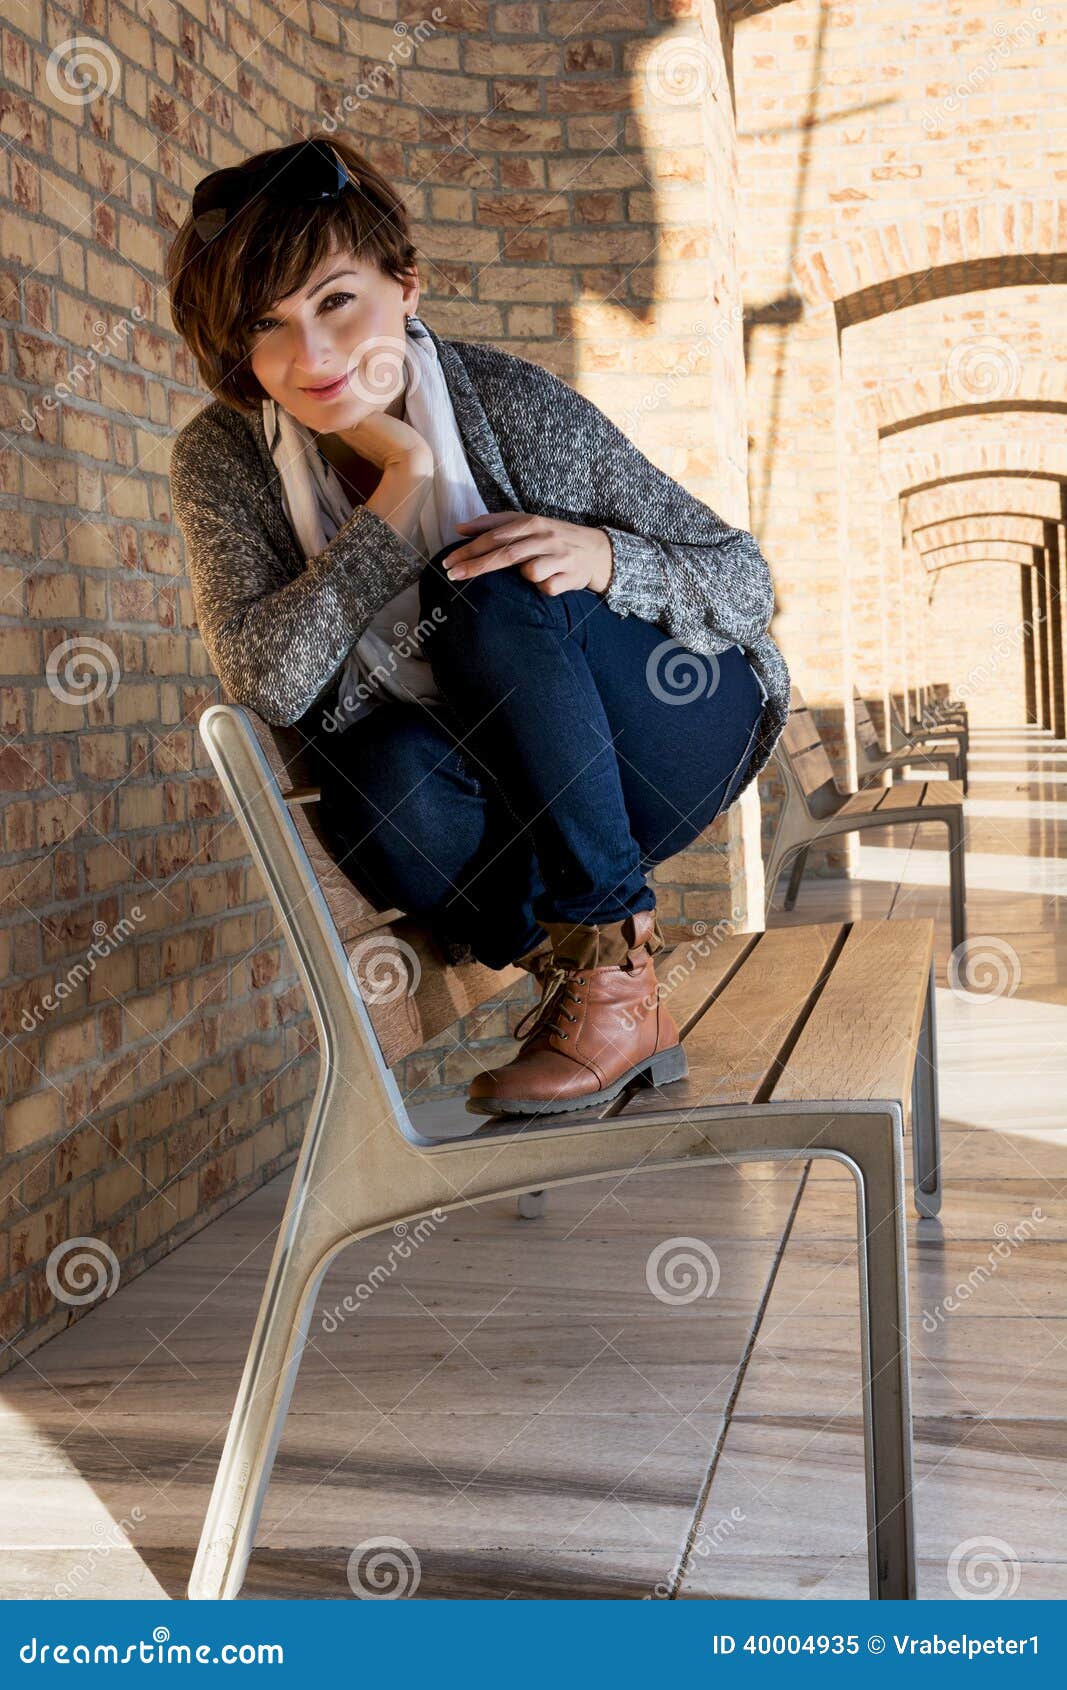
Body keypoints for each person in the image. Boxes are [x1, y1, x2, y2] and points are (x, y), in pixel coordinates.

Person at [165, 132, 790, 1120]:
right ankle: (599, 969)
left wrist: (608, 558)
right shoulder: (225, 459)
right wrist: (400, 489)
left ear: (405, 285)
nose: (312, 356)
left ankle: (612, 978)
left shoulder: (510, 405)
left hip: (665, 737)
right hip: (504, 816)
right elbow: (271, 681)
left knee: (488, 593)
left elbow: (745, 582)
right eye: (268, 326)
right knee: (372, 774)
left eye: (336, 301)